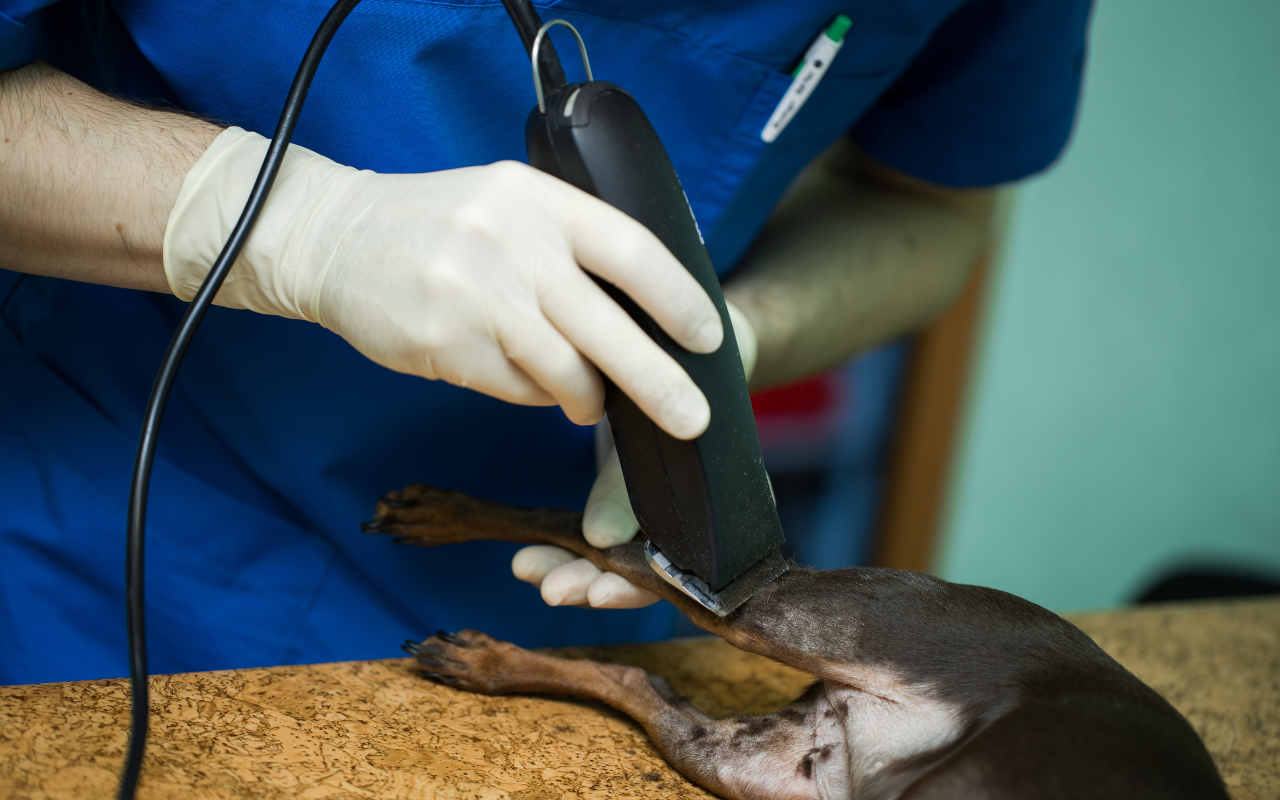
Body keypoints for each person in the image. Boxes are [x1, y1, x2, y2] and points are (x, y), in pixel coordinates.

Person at [0, 0, 1092, 685]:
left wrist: (727, 343)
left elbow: (932, 209)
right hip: (95, 525)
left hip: (531, 593)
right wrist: (303, 228)